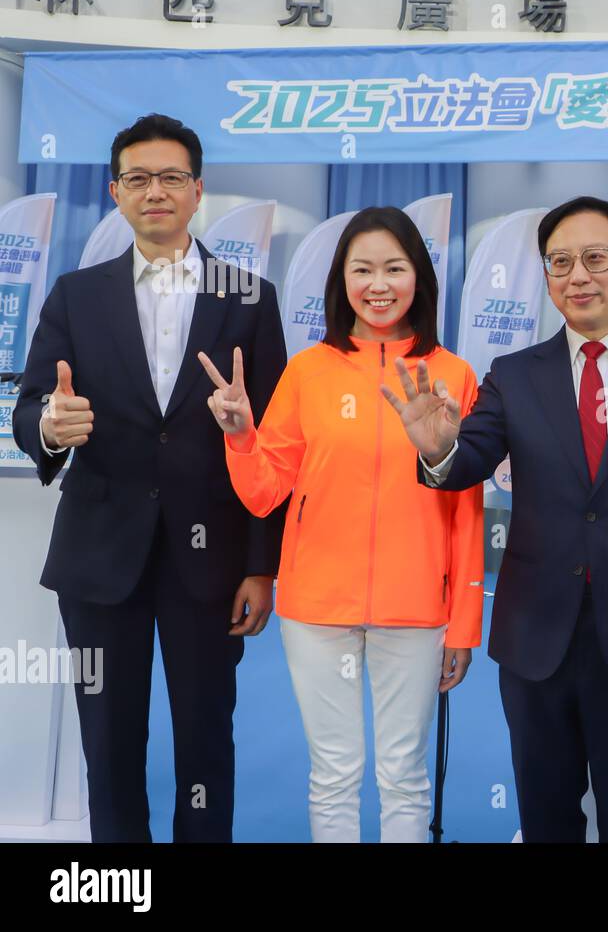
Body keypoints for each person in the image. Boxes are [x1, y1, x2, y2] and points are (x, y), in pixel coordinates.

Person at [381, 195, 608, 842]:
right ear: (546, 277)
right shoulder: (515, 376)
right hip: (535, 639)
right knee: (545, 818)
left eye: (596, 259)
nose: (578, 276)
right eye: (560, 262)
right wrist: (436, 448)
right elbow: (467, 464)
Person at [12, 114, 287, 842]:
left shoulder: (250, 297)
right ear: (116, 192)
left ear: (198, 191)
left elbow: (275, 445)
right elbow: (32, 402)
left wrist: (263, 567)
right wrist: (49, 424)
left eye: (171, 178)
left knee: (205, 744)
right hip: (101, 558)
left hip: (213, 560)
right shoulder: (77, 294)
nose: (154, 191)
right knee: (108, 746)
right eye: (138, 179)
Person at [199, 206, 483, 843]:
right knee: (333, 771)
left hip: (416, 608)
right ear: (341, 281)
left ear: (420, 279)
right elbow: (266, 492)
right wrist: (242, 435)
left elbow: (465, 507)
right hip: (317, 608)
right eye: (362, 269)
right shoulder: (309, 371)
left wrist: (463, 622)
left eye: (394, 268)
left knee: (405, 774)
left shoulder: (452, 375)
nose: (378, 285)